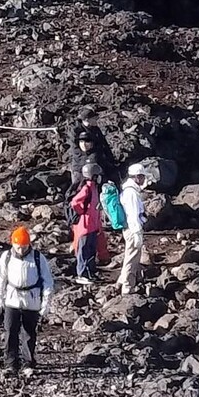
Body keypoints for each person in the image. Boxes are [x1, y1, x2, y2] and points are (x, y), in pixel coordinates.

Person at [0, 225, 54, 377]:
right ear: (12, 244)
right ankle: (11, 363)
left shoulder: (38, 258)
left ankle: (28, 362)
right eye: (18, 247)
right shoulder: (6, 257)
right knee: (10, 332)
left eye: (24, 247)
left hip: (31, 300)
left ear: (29, 244)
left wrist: (45, 304)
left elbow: (48, 281)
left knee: (29, 333)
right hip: (12, 300)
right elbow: (0, 280)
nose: (21, 250)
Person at [70, 159, 103, 283]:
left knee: (91, 250)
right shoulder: (87, 188)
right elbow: (75, 202)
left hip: (92, 226)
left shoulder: (94, 188)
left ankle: (90, 272)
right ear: (93, 175)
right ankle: (82, 274)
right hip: (85, 226)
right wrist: (83, 212)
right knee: (83, 251)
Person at [117, 162, 148, 293]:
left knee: (130, 255)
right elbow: (133, 215)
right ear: (137, 177)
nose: (143, 179)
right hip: (132, 229)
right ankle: (127, 287)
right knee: (132, 258)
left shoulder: (128, 190)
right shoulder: (132, 193)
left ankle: (120, 281)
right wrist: (137, 233)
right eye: (142, 177)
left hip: (129, 228)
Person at [68, 108, 117, 184]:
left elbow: (104, 144)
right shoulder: (76, 131)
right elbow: (76, 150)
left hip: (97, 163)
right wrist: (90, 159)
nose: (96, 120)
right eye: (94, 118)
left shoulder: (95, 129)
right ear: (87, 120)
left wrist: (111, 159)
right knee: (79, 188)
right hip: (80, 166)